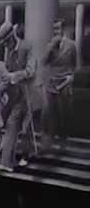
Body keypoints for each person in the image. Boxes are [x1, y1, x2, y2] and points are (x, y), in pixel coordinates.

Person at [0, 21, 37, 172]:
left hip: (29, 93)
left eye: (6, 41)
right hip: (17, 96)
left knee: (19, 126)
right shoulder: (10, 53)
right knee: (18, 126)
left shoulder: (27, 47)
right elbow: (6, 75)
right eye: (4, 43)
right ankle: (15, 158)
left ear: (12, 36)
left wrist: (14, 76)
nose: (5, 45)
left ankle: (9, 162)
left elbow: (31, 71)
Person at [41, 18, 77, 153]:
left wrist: (70, 77)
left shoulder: (71, 45)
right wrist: (51, 47)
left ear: (64, 30)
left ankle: (63, 141)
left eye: (59, 29)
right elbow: (44, 62)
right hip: (51, 83)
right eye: (55, 29)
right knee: (47, 113)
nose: (57, 32)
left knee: (64, 114)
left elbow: (74, 64)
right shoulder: (49, 45)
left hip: (65, 84)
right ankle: (47, 142)